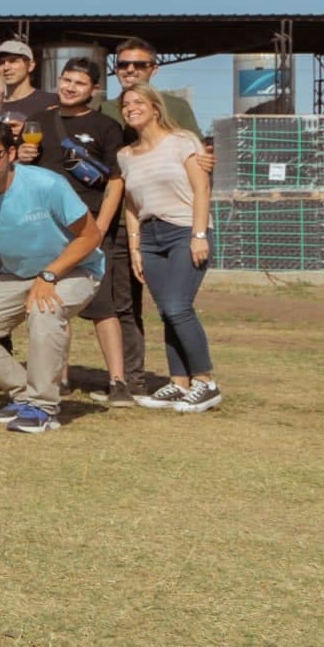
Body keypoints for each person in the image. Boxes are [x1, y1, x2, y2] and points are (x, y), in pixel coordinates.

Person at [0, 118, 106, 434]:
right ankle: (25, 396)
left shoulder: (47, 185)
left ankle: (44, 408)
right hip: (18, 275)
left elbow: (91, 236)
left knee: (45, 310)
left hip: (75, 269)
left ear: (11, 154)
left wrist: (49, 275)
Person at [100, 37, 203, 386]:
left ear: (153, 69)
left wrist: (199, 231)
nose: (130, 70)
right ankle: (135, 378)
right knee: (126, 304)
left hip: (176, 224)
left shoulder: (177, 111)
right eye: (123, 64)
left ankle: (200, 379)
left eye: (139, 65)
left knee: (175, 305)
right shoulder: (104, 109)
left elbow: (199, 165)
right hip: (125, 223)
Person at [117, 85, 219, 413]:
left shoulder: (182, 141)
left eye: (138, 102)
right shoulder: (125, 155)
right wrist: (135, 248)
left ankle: (206, 382)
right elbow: (132, 206)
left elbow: (201, 187)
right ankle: (179, 382)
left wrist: (199, 234)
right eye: (125, 104)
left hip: (184, 230)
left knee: (178, 307)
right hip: (150, 237)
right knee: (166, 312)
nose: (131, 107)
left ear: (155, 108)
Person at [45, 58, 134, 404]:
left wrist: (100, 227)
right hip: (50, 228)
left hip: (92, 226)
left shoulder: (106, 126)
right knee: (56, 304)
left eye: (79, 83)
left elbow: (116, 181)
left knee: (103, 305)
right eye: (66, 79)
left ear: (94, 90)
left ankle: (118, 382)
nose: (69, 87)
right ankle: (58, 378)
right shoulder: (39, 122)